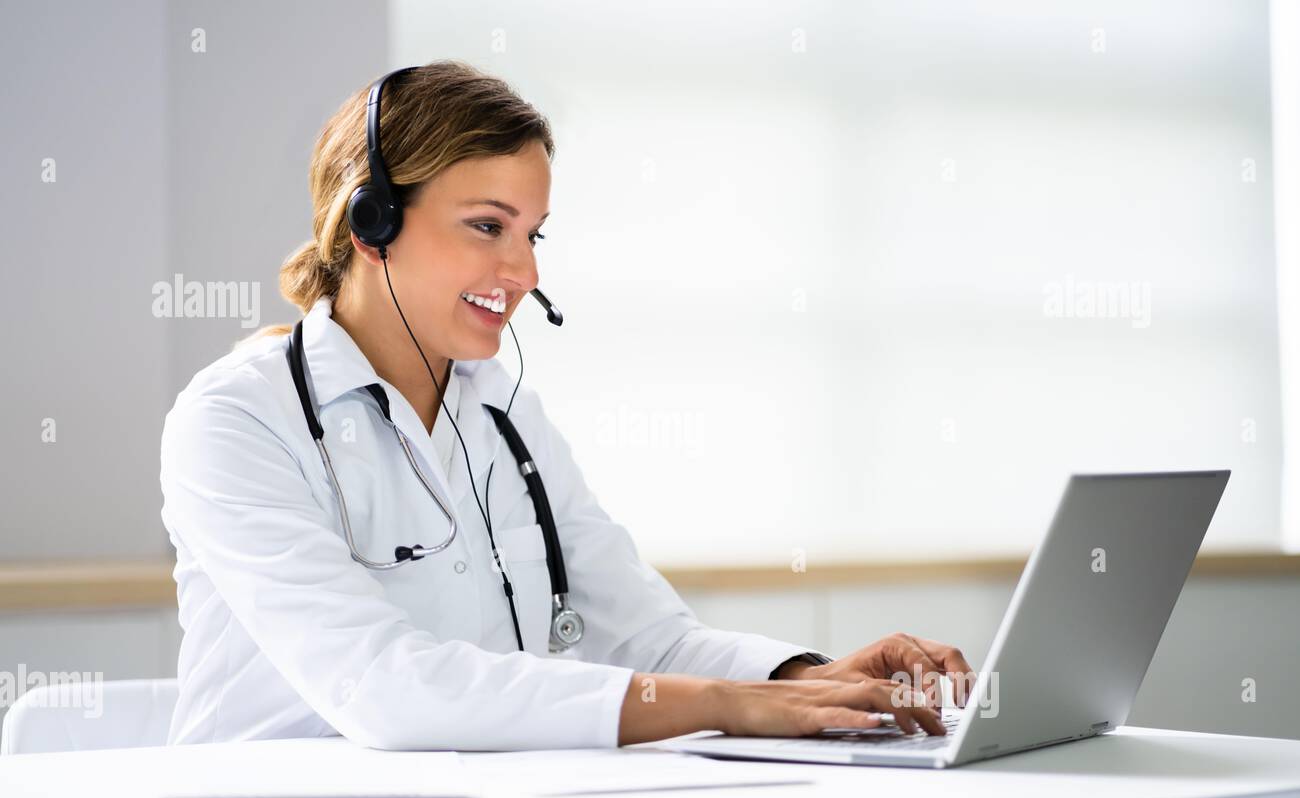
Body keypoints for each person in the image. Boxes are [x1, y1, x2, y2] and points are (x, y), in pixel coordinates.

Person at [159, 60, 973, 750]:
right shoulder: (237, 420)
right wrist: (728, 707)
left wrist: (809, 681)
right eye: (488, 226)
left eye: (533, 235)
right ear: (372, 222)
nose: (524, 274)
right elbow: (383, 687)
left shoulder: (506, 418)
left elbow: (652, 636)